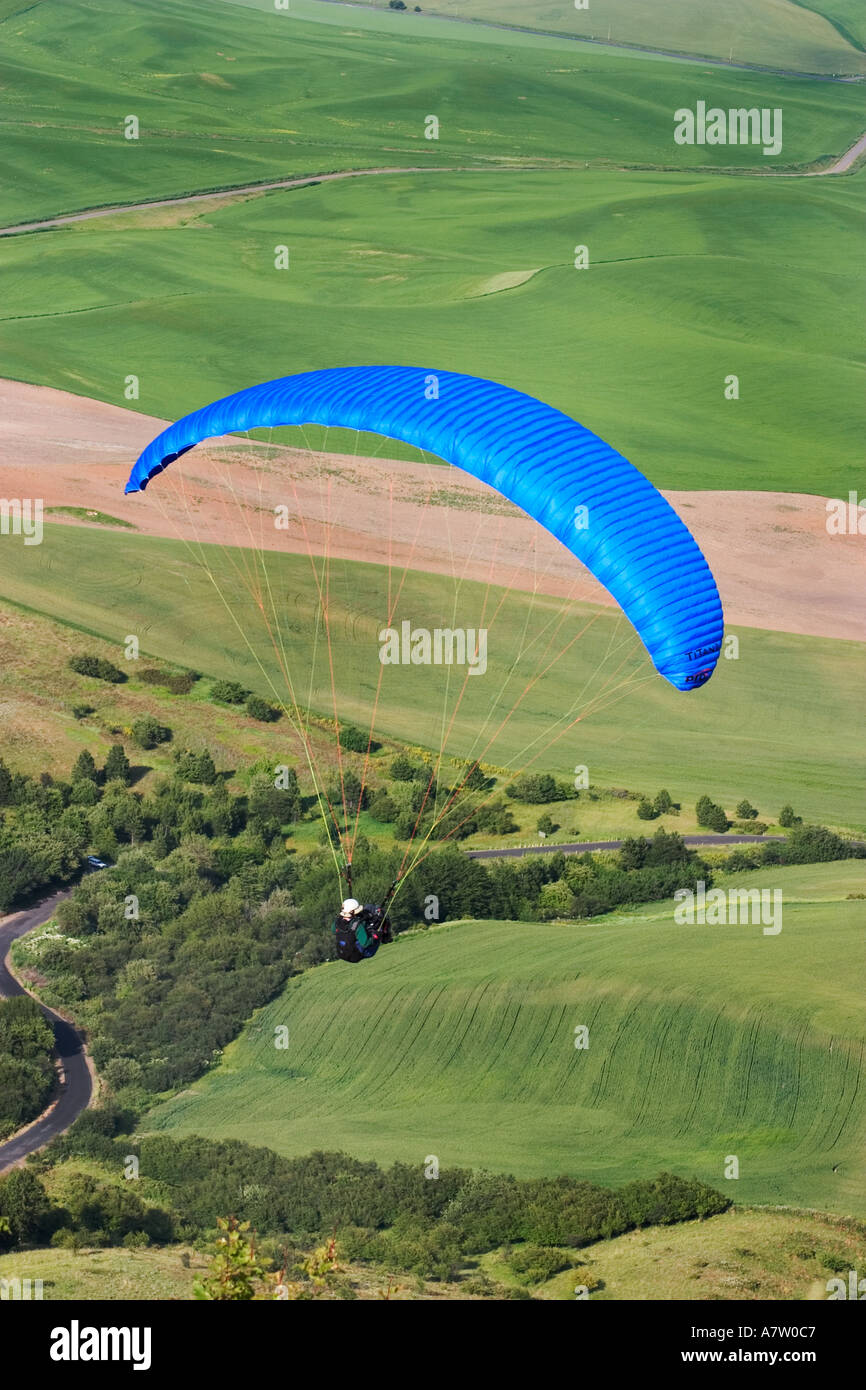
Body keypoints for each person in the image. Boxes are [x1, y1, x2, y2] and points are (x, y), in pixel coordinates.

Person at [332, 897, 393, 964]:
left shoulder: (337, 922)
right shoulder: (357, 926)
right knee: (379, 921)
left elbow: (334, 930)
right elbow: (365, 943)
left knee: (368, 908)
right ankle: (386, 938)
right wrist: (376, 936)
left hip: (342, 953)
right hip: (359, 954)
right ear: (352, 912)